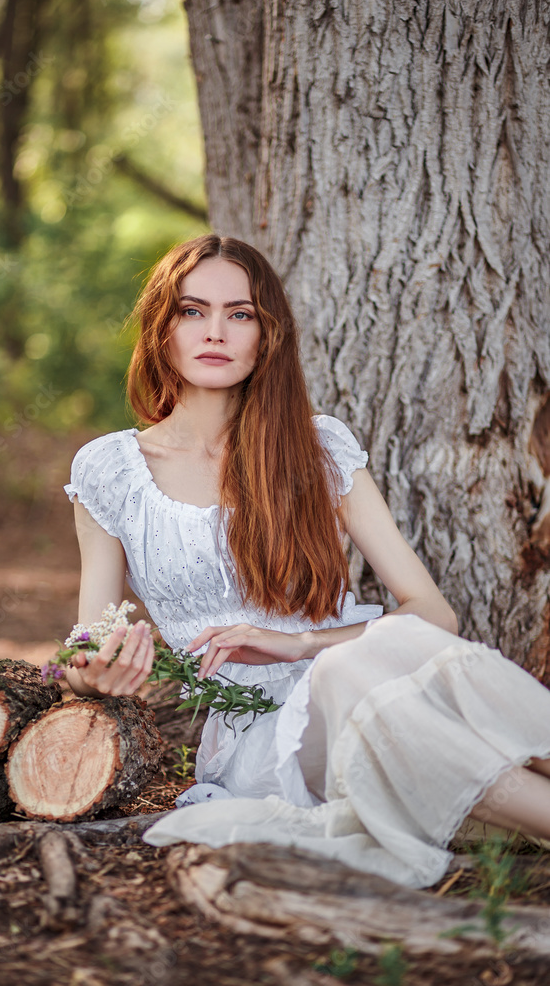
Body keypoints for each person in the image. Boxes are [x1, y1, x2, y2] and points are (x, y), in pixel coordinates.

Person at [64, 234, 550, 889]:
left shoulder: (317, 448)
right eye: (191, 311)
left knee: (357, 674)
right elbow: (86, 645)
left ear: (266, 336)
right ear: (161, 329)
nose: (215, 331)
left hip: (365, 670)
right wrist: (97, 673)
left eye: (240, 314)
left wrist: (299, 646)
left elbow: (432, 614)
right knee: (363, 688)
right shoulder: (110, 470)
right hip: (261, 737)